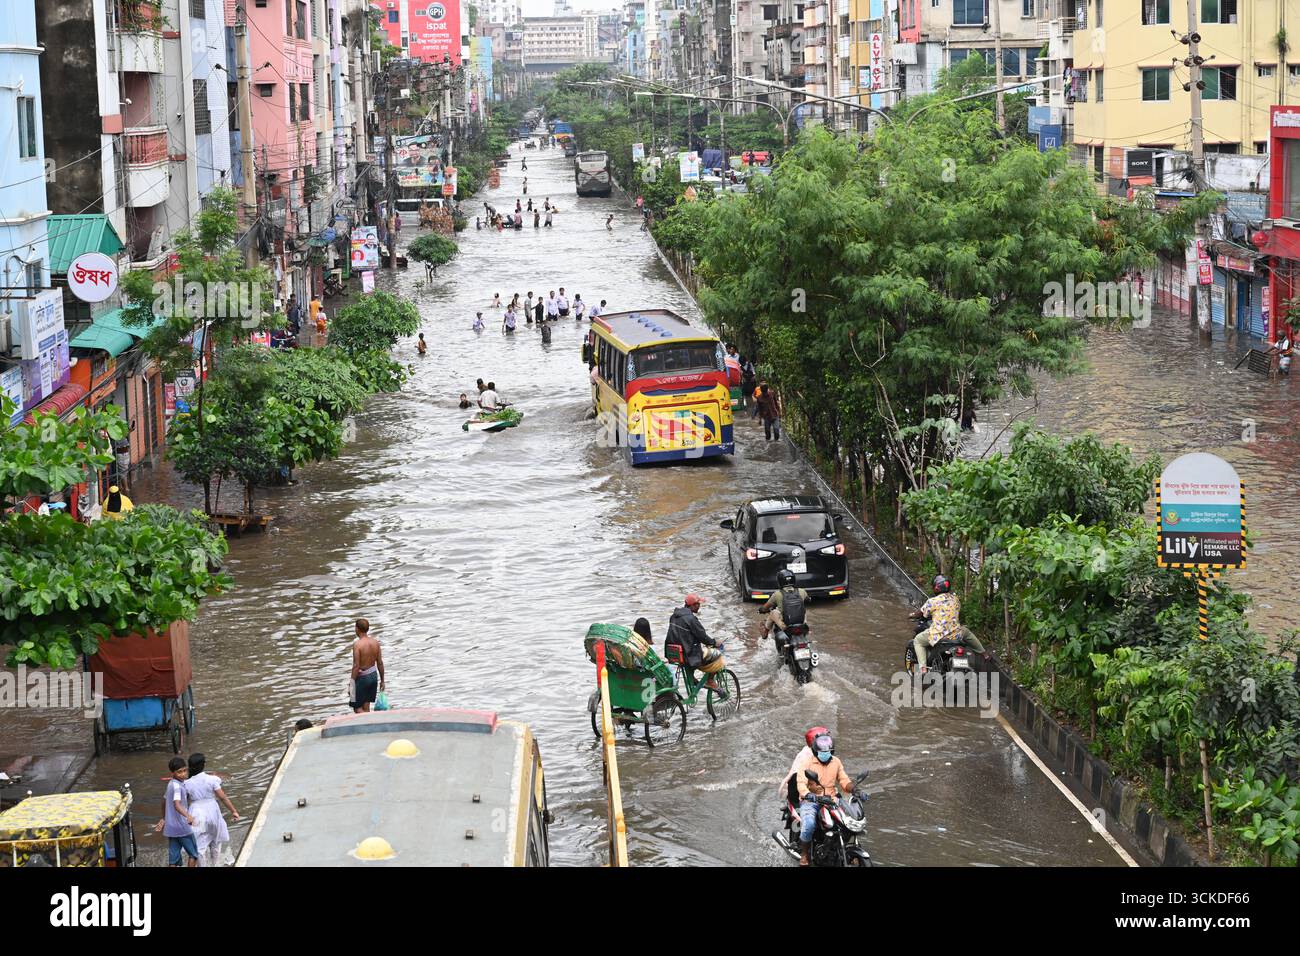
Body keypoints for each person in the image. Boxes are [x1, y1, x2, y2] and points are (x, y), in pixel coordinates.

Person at [795, 731, 854, 867]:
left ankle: (848, 849)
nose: (825, 753)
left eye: (827, 750)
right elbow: (801, 783)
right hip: (812, 800)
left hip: (832, 800)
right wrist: (808, 794)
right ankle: (804, 854)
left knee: (849, 822)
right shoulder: (806, 763)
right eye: (821, 750)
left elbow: (844, 780)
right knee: (809, 824)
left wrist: (854, 789)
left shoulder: (836, 762)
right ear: (815, 751)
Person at [909, 575, 986, 674]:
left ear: (936, 588)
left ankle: (923, 669)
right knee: (967, 632)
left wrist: (912, 615)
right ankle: (984, 653)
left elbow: (920, 613)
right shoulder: (956, 599)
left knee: (918, 641)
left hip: (939, 635)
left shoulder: (932, 601)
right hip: (956, 634)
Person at [185, 753, 239, 867]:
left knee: (199, 847)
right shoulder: (212, 779)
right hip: (213, 812)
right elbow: (223, 797)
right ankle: (215, 864)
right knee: (215, 842)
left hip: (196, 814)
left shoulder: (186, 784)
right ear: (204, 765)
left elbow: (184, 803)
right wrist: (233, 811)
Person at [664, 594, 725, 689]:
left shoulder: (674, 616)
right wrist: (714, 642)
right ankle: (710, 681)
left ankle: (691, 677)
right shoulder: (691, 619)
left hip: (676, 654)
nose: (699, 606)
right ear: (693, 605)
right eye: (698, 604)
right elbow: (703, 637)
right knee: (717, 654)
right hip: (689, 656)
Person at [153, 757, 198, 868]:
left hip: (171, 828)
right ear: (173, 773)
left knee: (173, 860)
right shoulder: (177, 787)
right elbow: (177, 805)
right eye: (179, 772)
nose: (183, 774)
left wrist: (164, 818)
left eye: (184, 770)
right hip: (182, 827)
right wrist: (188, 816)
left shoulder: (171, 784)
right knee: (194, 855)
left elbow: (163, 802)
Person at [762, 569, 810, 654]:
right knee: (804, 610)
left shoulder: (777, 594)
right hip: (802, 624)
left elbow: (766, 607)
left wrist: (762, 610)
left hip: (786, 626)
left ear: (779, 582)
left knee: (772, 613)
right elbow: (808, 599)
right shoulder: (802, 591)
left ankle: (765, 633)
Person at [779, 725, 829, 801]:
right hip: (796, 789)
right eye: (824, 740)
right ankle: (796, 804)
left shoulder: (820, 752)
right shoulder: (806, 755)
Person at [349, 619, 384, 713]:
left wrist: (351, 684)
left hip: (362, 678)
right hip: (373, 676)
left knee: (357, 708)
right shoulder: (375, 642)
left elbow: (356, 666)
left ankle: (372, 721)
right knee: (366, 706)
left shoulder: (357, 644)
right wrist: (382, 681)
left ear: (357, 629)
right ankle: (368, 725)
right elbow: (380, 663)